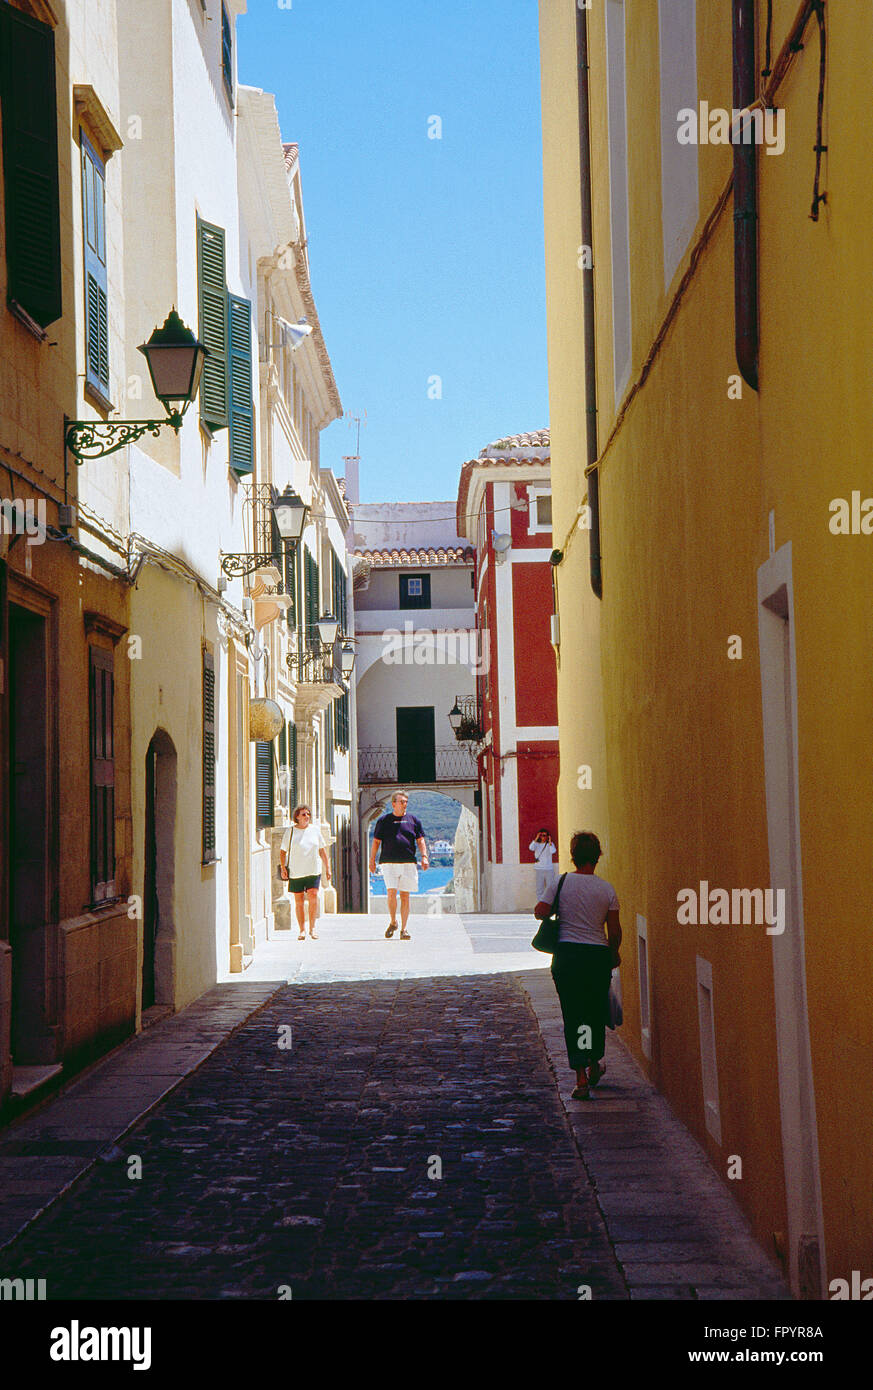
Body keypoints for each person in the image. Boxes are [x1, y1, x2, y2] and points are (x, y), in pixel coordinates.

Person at [534, 830, 622, 1101]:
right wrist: (613, 953)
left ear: (573, 856)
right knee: (594, 1014)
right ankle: (594, 1064)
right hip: (596, 958)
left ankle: (581, 1077)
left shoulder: (561, 883)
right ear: (597, 857)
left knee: (574, 1016)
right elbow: (615, 930)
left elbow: (540, 910)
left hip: (567, 957)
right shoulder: (606, 889)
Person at [369, 790, 429, 940]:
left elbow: (420, 840)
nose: (404, 804)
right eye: (402, 802)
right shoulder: (383, 821)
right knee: (391, 893)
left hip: (408, 862)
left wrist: (424, 857)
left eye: (406, 802)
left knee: (405, 896)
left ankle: (404, 929)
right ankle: (393, 921)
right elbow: (376, 842)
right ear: (393, 803)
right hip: (388, 862)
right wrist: (372, 860)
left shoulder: (413, 820)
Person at [279, 805, 331, 941]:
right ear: (297, 817)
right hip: (296, 871)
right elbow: (283, 851)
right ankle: (302, 930)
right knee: (299, 900)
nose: (307, 816)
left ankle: (312, 928)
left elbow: (322, 850)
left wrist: (328, 868)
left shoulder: (315, 830)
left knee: (313, 896)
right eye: (303, 814)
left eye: (308, 814)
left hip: (313, 870)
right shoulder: (290, 832)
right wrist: (283, 868)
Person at [529, 828, 557, 903]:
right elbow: (531, 848)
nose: (542, 837)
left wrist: (550, 842)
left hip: (549, 869)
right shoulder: (536, 845)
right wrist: (536, 838)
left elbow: (553, 851)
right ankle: (540, 903)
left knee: (550, 888)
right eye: (541, 835)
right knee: (539, 888)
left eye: (544, 835)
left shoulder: (550, 845)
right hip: (539, 869)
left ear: (547, 836)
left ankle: (549, 904)